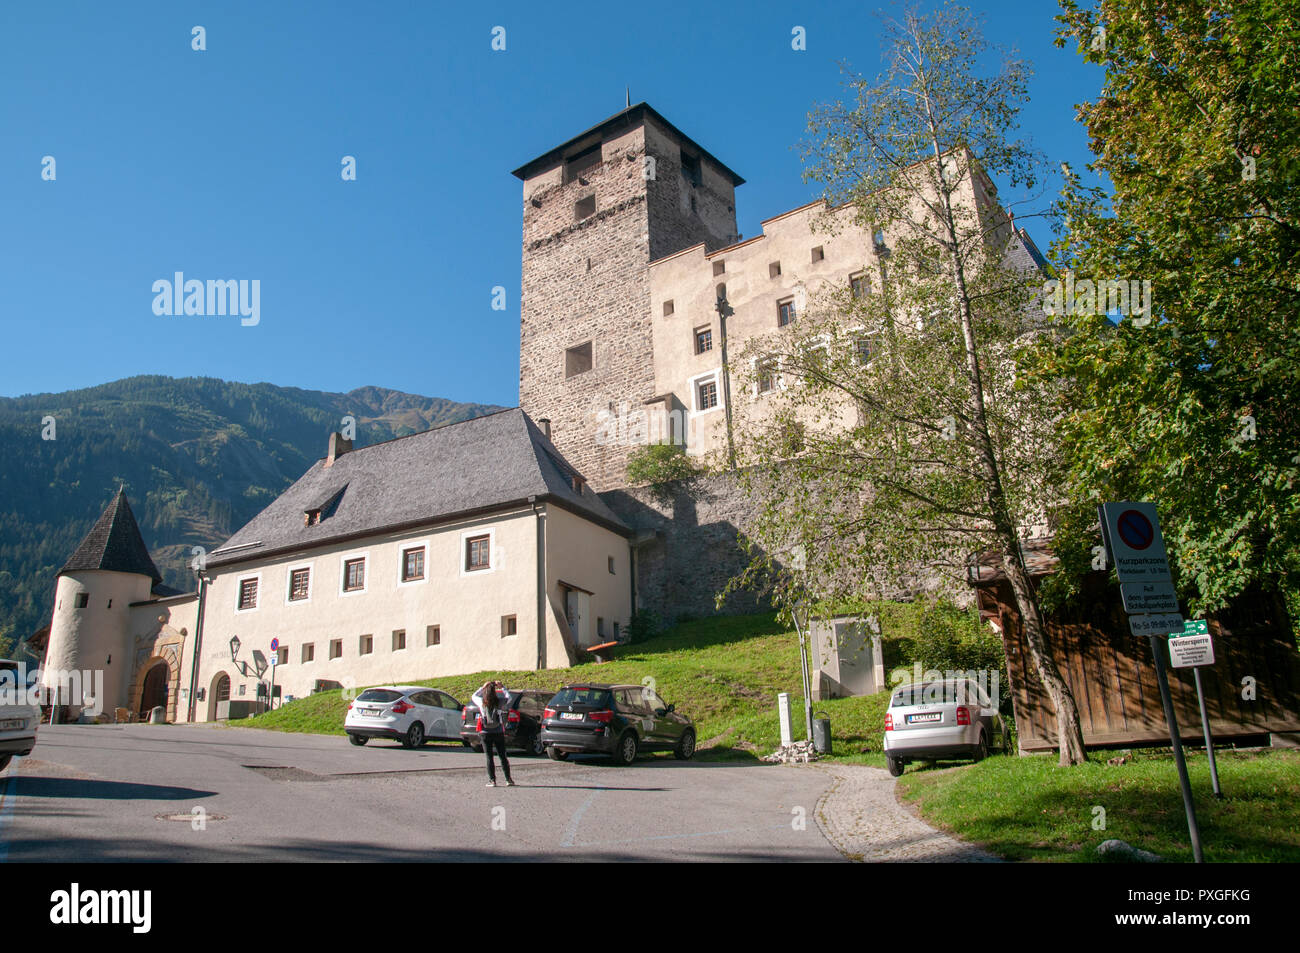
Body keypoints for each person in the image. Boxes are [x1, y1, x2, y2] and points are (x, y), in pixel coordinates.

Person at [472, 679, 515, 787]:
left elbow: (473, 696)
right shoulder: (500, 702)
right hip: (498, 731)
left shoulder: (481, 702)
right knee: (502, 756)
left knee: (489, 757)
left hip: (485, 732)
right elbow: (510, 698)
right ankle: (508, 779)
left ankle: (492, 780)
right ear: (495, 692)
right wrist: (502, 687)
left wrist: (483, 687)